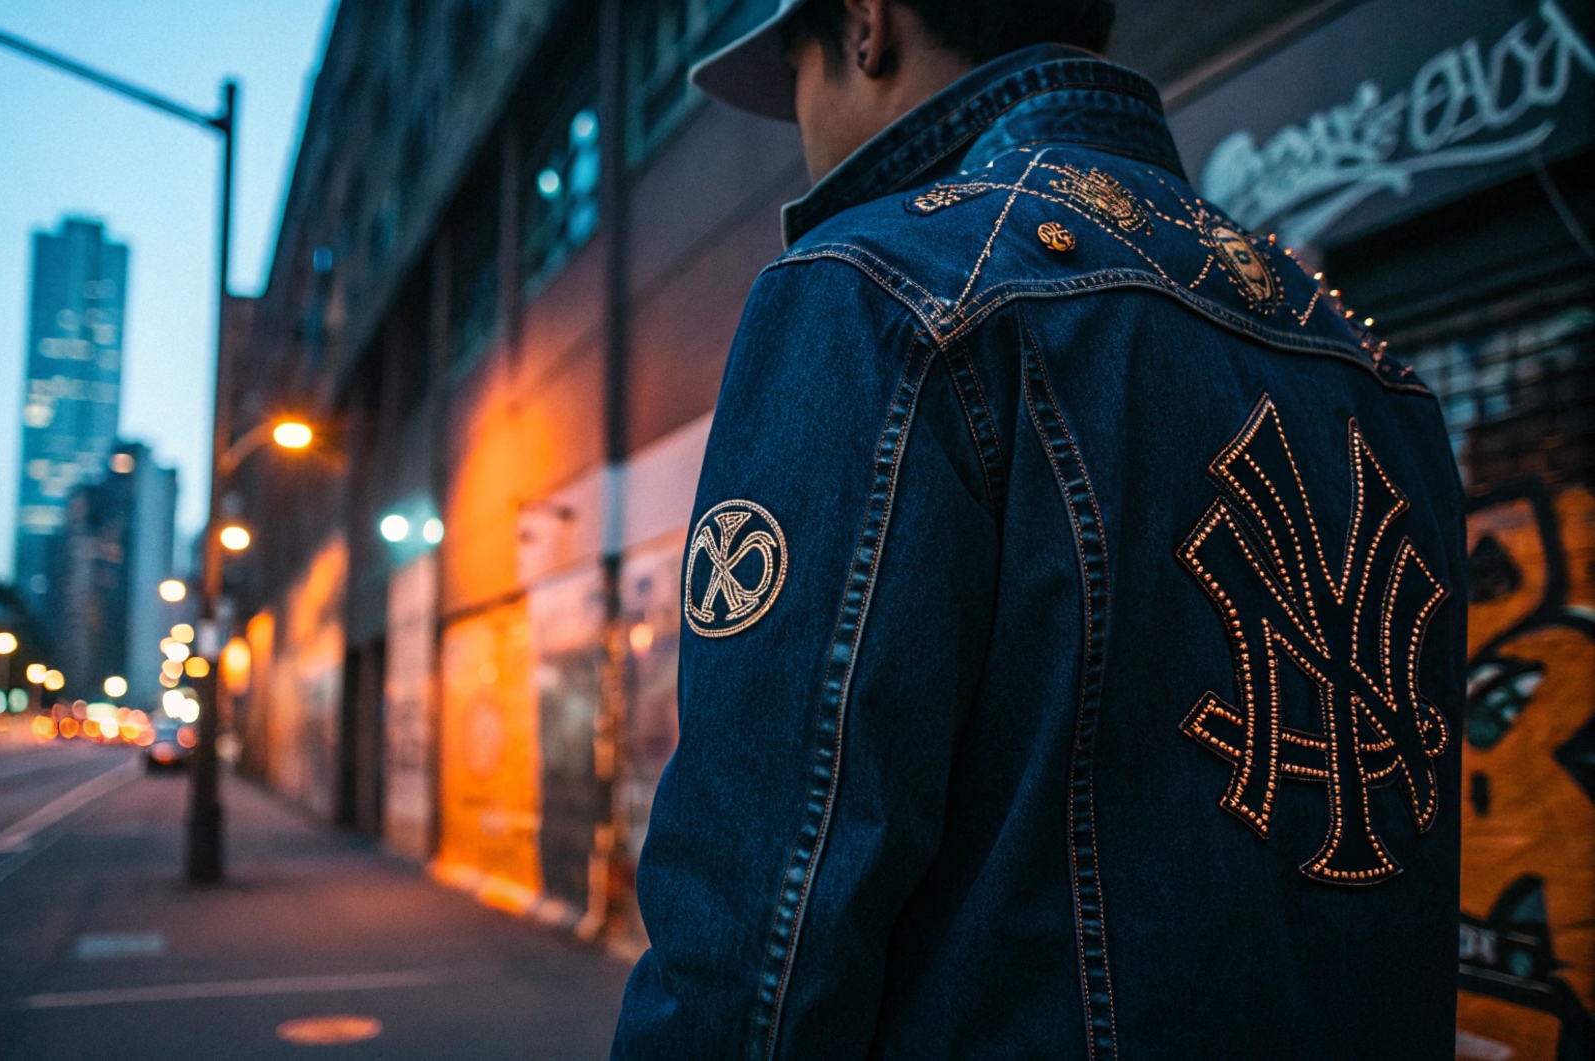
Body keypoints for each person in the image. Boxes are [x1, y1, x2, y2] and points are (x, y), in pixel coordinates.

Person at [611, 1, 1467, 1058]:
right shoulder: (1360, 357)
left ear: (865, 25)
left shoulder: (873, 288)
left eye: (794, 72)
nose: (798, 122)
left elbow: (761, 926)